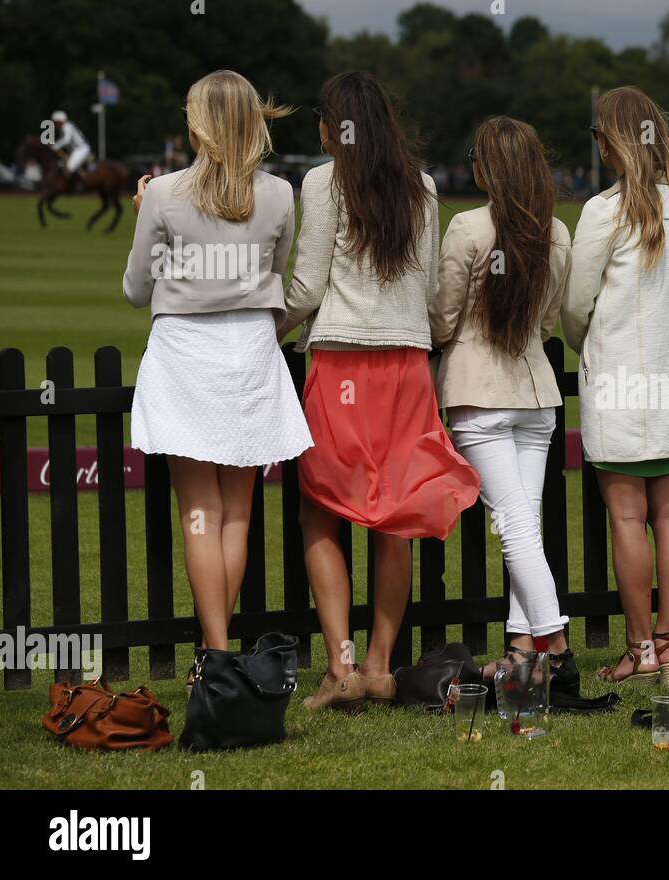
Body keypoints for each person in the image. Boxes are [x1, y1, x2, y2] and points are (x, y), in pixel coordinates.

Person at [278, 72, 479, 712]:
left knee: (320, 511)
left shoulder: (322, 181)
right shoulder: (419, 185)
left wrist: (266, 327)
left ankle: (340, 669)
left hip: (341, 363)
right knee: (393, 518)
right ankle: (379, 666)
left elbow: (306, 288)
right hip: (407, 364)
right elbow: (422, 292)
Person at [122, 70, 312, 664]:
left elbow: (134, 290)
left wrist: (141, 216)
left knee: (200, 512)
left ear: (201, 122)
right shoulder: (281, 193)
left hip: (186, 351)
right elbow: (274, 272)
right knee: (236, 514)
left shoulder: (163, 194)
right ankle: (218, 657)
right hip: (251, 351)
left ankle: (217, 655)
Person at [561, 86, 669, 686]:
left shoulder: (604, 211)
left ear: (609, 143)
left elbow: (576, 304)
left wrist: (585, 341)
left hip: (619, 382)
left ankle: (641, 650)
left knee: (627, 519)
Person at [431, 117, 578, 691]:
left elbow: (443, 320)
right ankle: (526, 655)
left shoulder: (467, 227)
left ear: (488, 168)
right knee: (526, 526)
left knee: (516, 527)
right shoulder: (556, 232)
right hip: (535, 393)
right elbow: (546, 324)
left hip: (478, 393)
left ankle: (556, 652)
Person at [51, 110, 91, 186]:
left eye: (55, 122)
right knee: (62, 164)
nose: (55, 124)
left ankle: (80, 185)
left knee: (69, 166)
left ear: (60, 121)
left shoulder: (67, 126)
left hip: (81, 148)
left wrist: (55, 146)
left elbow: (66, 140)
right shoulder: (66, 127)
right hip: (75, 150)